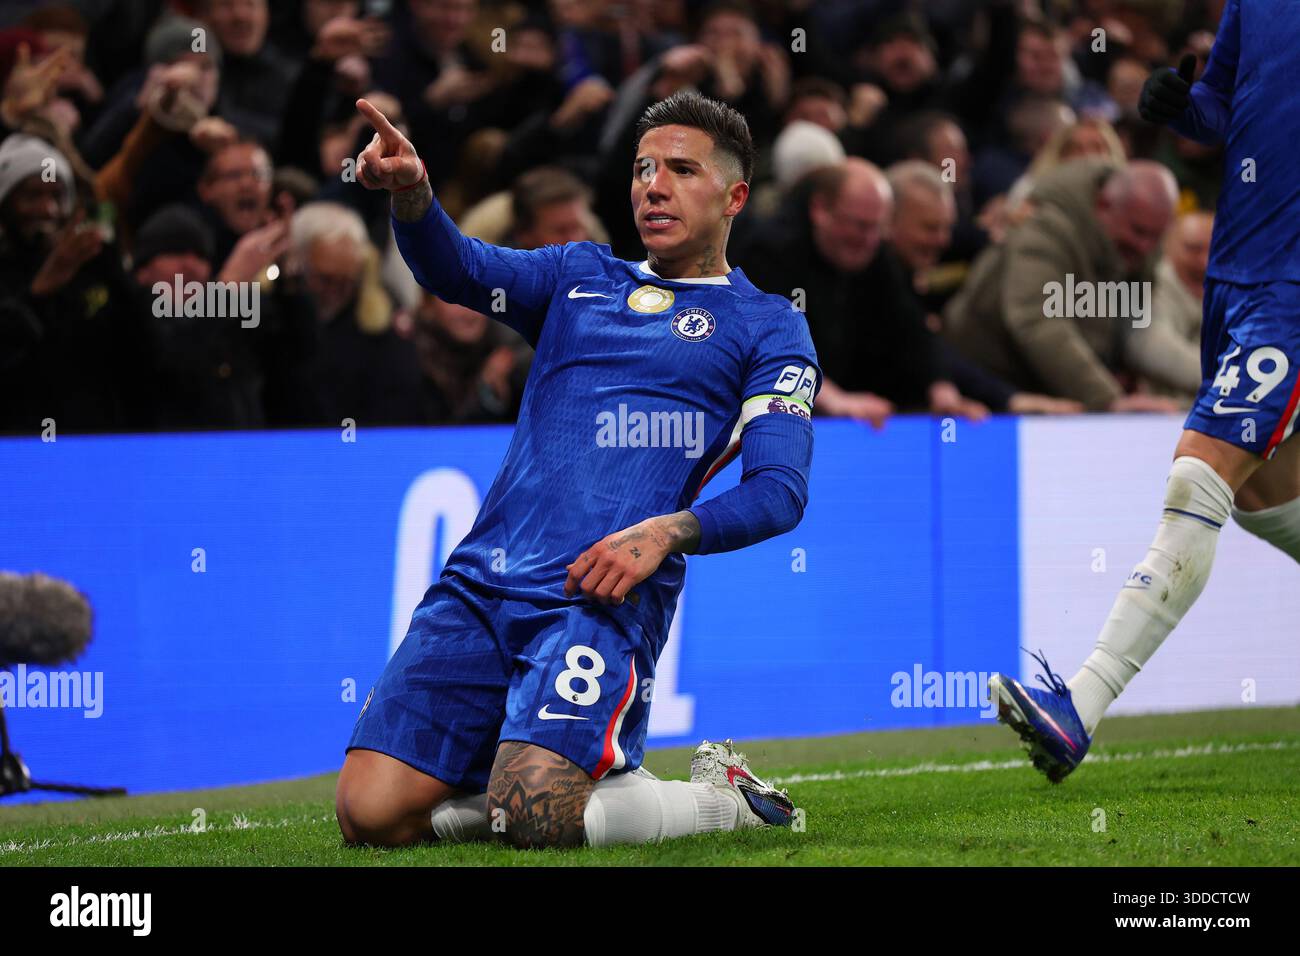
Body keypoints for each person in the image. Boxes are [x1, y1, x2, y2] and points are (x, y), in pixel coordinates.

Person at [336, 89, 817, 848]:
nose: (652, 186)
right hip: (481, 585)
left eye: (681, 170)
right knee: (367, 816)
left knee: (532, 816)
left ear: (735, 197)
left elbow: (779, 492)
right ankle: (514, 780)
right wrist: (414, 196)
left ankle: (718, 799)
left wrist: (664, 533)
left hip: (596, 596)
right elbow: (460, 269)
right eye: (642, 168)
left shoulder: (768, 326)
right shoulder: (578, 277)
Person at [988, 5, 1300, 781]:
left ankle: (1078, 708)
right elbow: (1223, 105)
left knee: (1201, 473)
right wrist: (1180, 107)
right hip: (1235, 275)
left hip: (1292, 288)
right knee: (1266, 492)